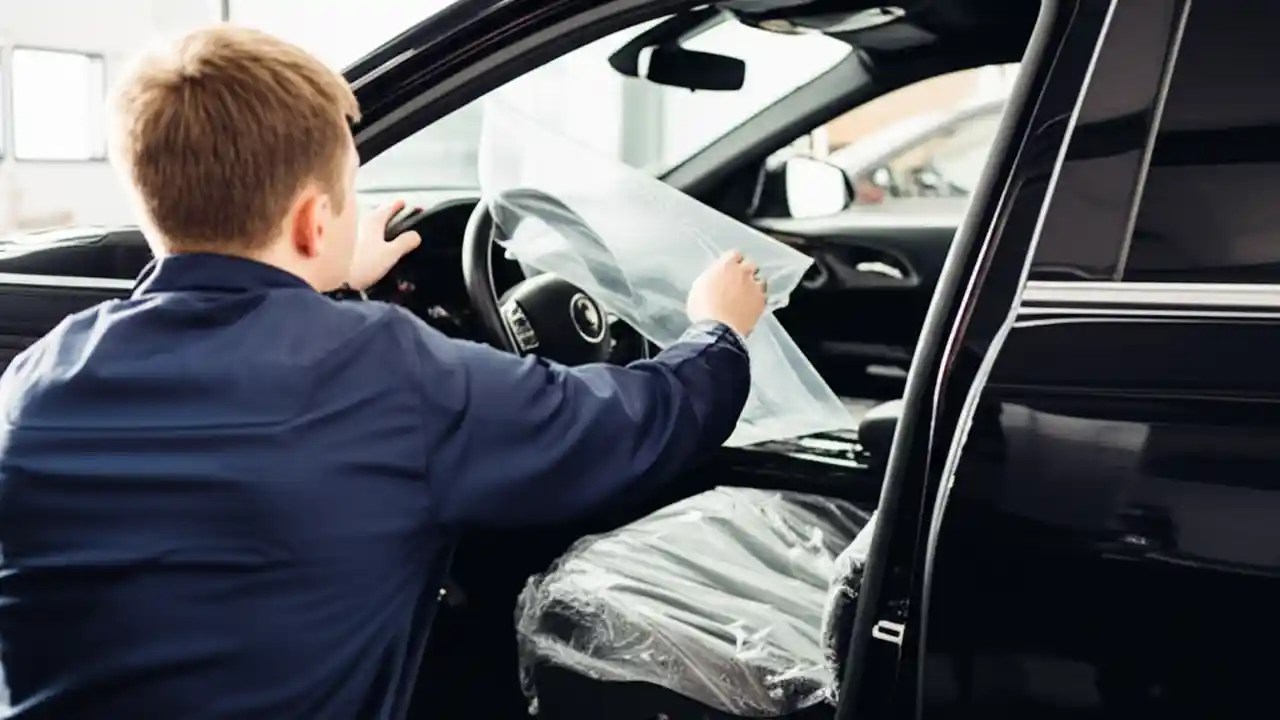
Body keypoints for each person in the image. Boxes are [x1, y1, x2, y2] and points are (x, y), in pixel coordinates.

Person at [0, 25, 766, 720]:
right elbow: (631, 425)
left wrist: (321, 280)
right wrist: (717, 330)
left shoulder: (33, 384)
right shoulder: (391, 371)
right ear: (311, 221)